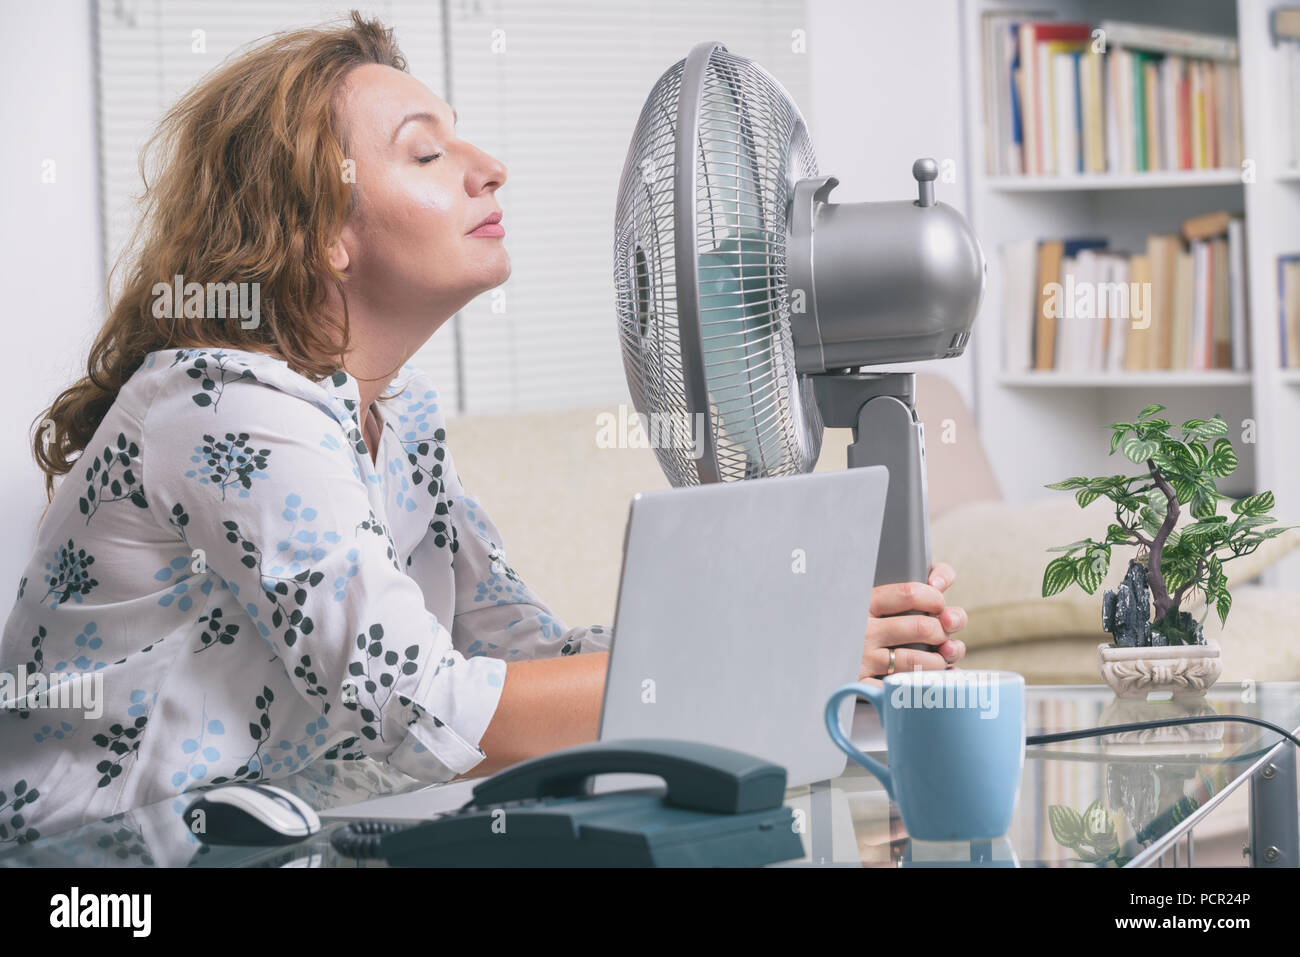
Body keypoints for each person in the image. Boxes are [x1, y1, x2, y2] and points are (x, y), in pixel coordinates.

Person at [0, 11, 965, 846]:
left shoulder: (397, 413)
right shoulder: (222, 404)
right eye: (427, 153)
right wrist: (769, 653)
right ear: (318, 230)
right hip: (102, 859)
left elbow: (522, 657)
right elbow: (423, 702)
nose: (488, 170)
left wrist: (798, 623)